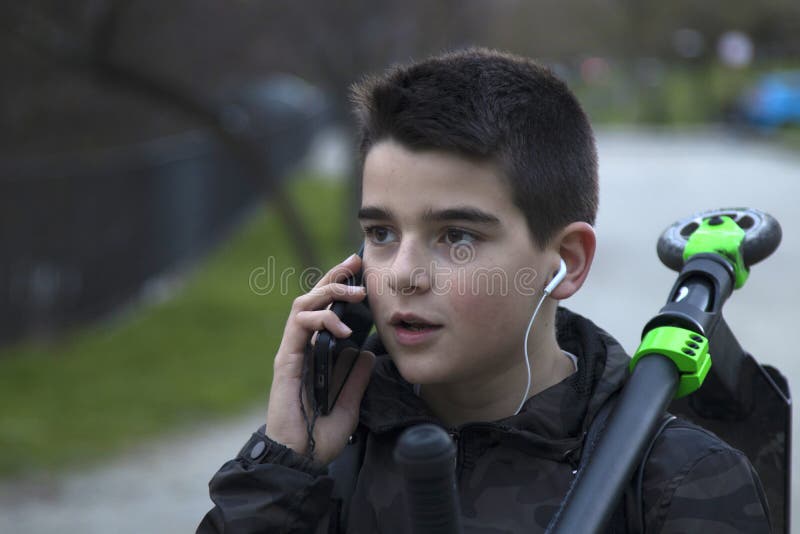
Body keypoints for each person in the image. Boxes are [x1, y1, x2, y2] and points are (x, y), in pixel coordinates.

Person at [197, 48, 770, 533]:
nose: (402, 273)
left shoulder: (674, 484)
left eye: (456, 237)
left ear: (565, 263)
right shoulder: (322, 459)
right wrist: (281, 469)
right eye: (381, 232)